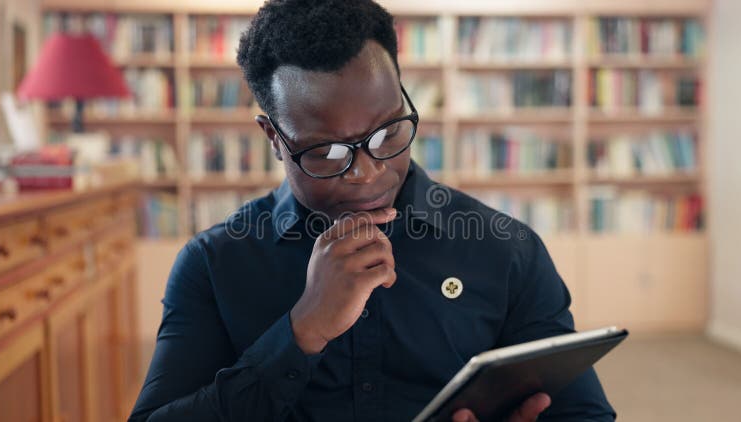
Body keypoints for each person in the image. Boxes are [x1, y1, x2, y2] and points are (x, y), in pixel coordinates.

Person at [129, 1, 615, 421]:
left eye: (387, 133)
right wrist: (304, 330)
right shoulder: (214, 264)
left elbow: (582, 412)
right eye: (325, 151)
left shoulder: (507, 250)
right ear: (274, 138)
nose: (365, 172)